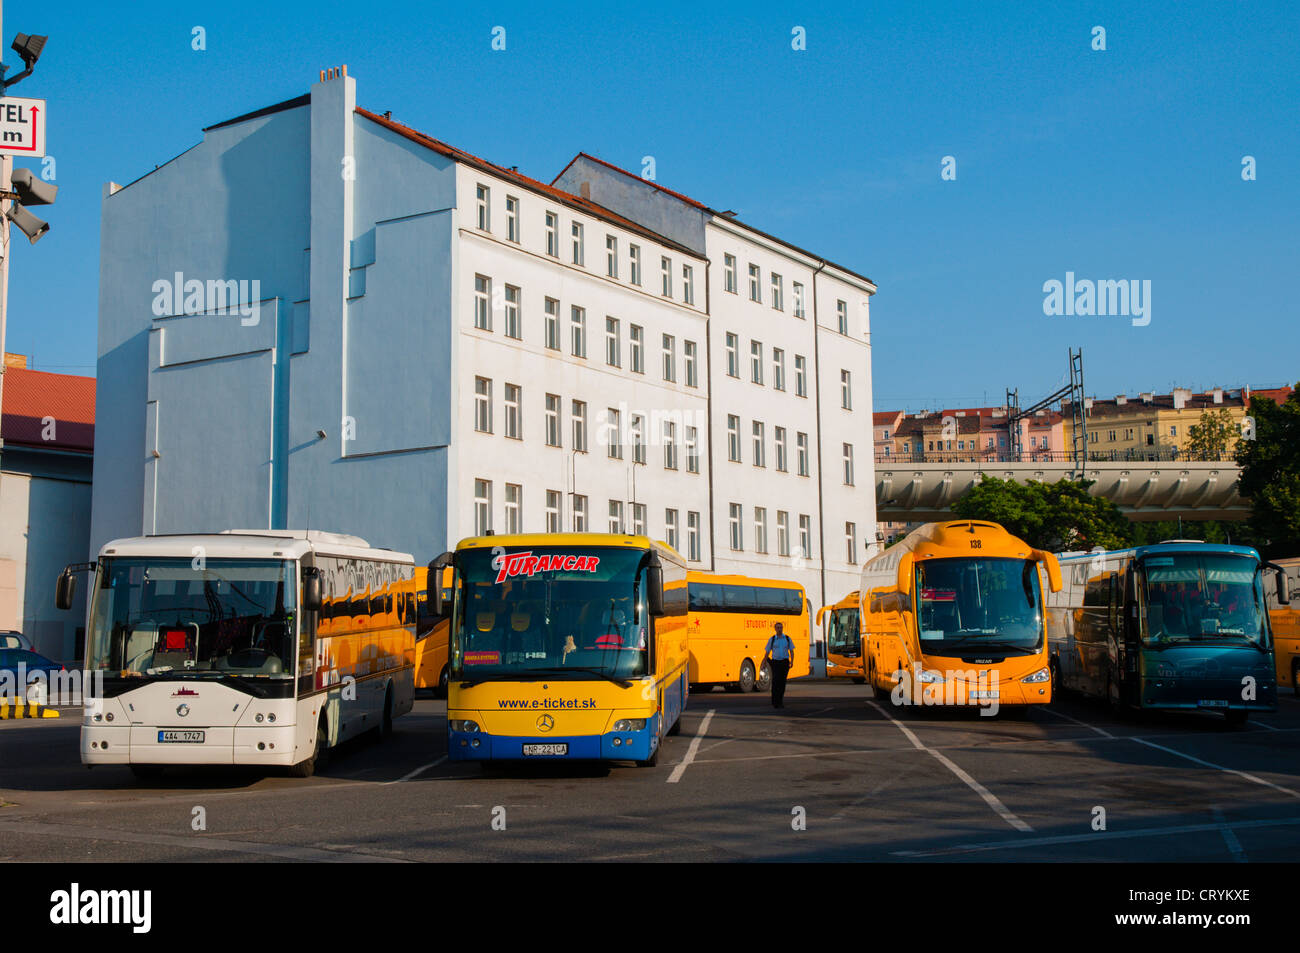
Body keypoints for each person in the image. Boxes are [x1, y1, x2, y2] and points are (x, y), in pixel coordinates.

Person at [764, 622, 795, 708]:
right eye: (777, 628)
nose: (779, 629)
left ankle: (780, 701)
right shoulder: (772, 639)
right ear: (775, 629)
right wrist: (763, 663)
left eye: (780, 627)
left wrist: (792, 661)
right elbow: (767, 652)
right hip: (775, 663)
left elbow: (792, 651)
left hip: (784, 662)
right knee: (775, 682)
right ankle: (775, 702)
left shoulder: (787, 639)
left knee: (782, 683)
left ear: (782, 628)